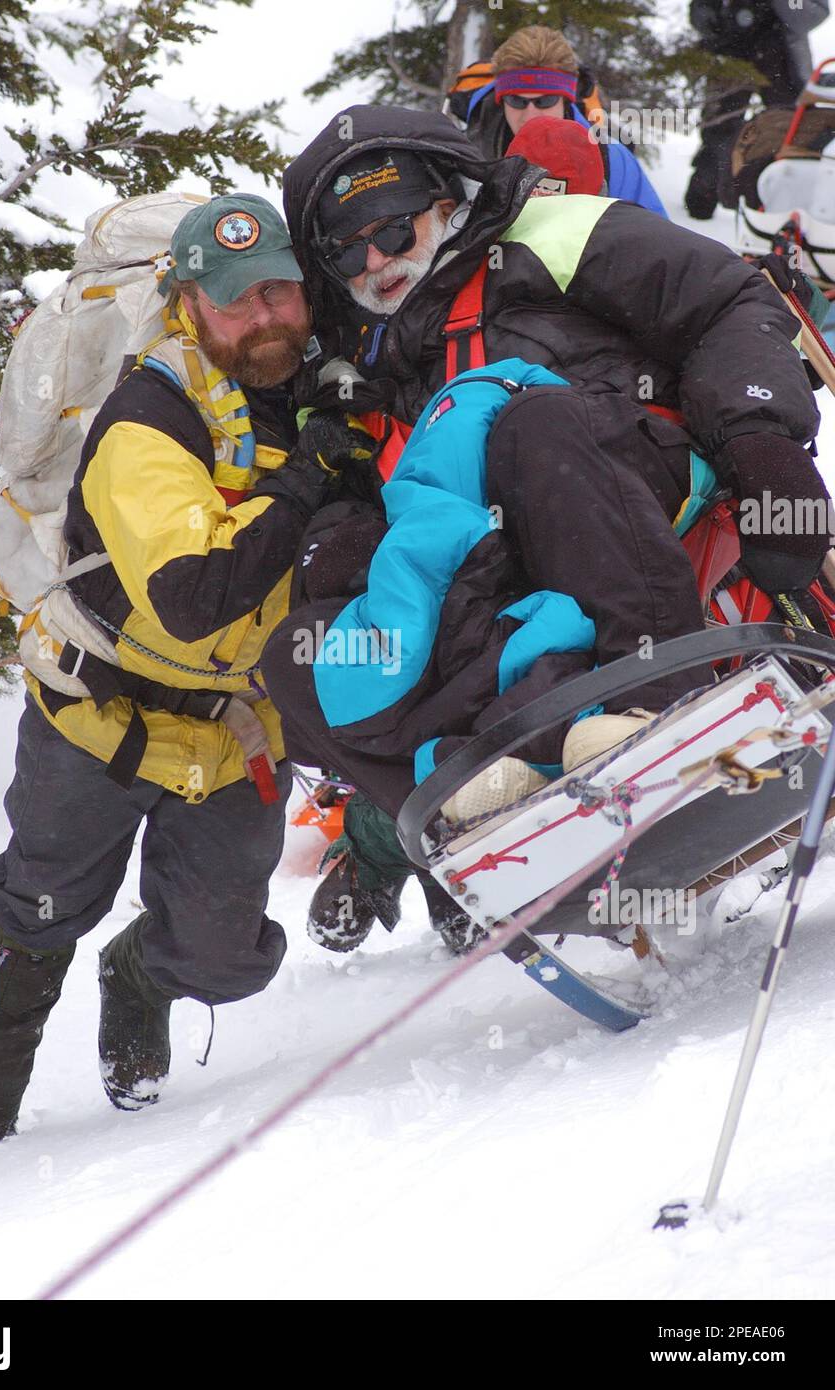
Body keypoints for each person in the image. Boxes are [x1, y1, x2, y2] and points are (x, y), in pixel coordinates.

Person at [261, 102, 828, 953]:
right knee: (298, 650)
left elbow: (726, 304)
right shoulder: (357, 361)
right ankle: (475, 799)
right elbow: (362, 489)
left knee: (532, 426)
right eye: (349, 250)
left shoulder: (555, 234)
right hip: (496, 574)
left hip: (629, 492)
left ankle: (654, 706)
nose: (376, 260)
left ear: (448, 199)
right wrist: (337, 539)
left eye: (392, 228)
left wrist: (759, 439)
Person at [0, 194, 345, 1175]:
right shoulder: (146, 416)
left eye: (283, 293)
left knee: (223, 959)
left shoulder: (321, 388)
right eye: (238, 300)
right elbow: (195, 590)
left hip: (236, 729)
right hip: (98, 709)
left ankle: (141, 973)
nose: (266, 318)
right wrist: (310, 483)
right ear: (188, 304)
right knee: (37, 907)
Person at [453, 24, 666, 217]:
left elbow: (652, 240)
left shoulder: (609, 157)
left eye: (545, 100)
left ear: (566, 99)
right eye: (516, 100)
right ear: (501, 99)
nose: (530, 114)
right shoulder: (464, 156)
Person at [686, 0, 831, 219]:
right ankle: (704, 196)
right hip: (730, 49)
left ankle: (776, 201)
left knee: (788, 130)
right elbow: (701, 8)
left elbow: (813, 13)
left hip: (781, 55)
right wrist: (714, 22)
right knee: (719, 129)